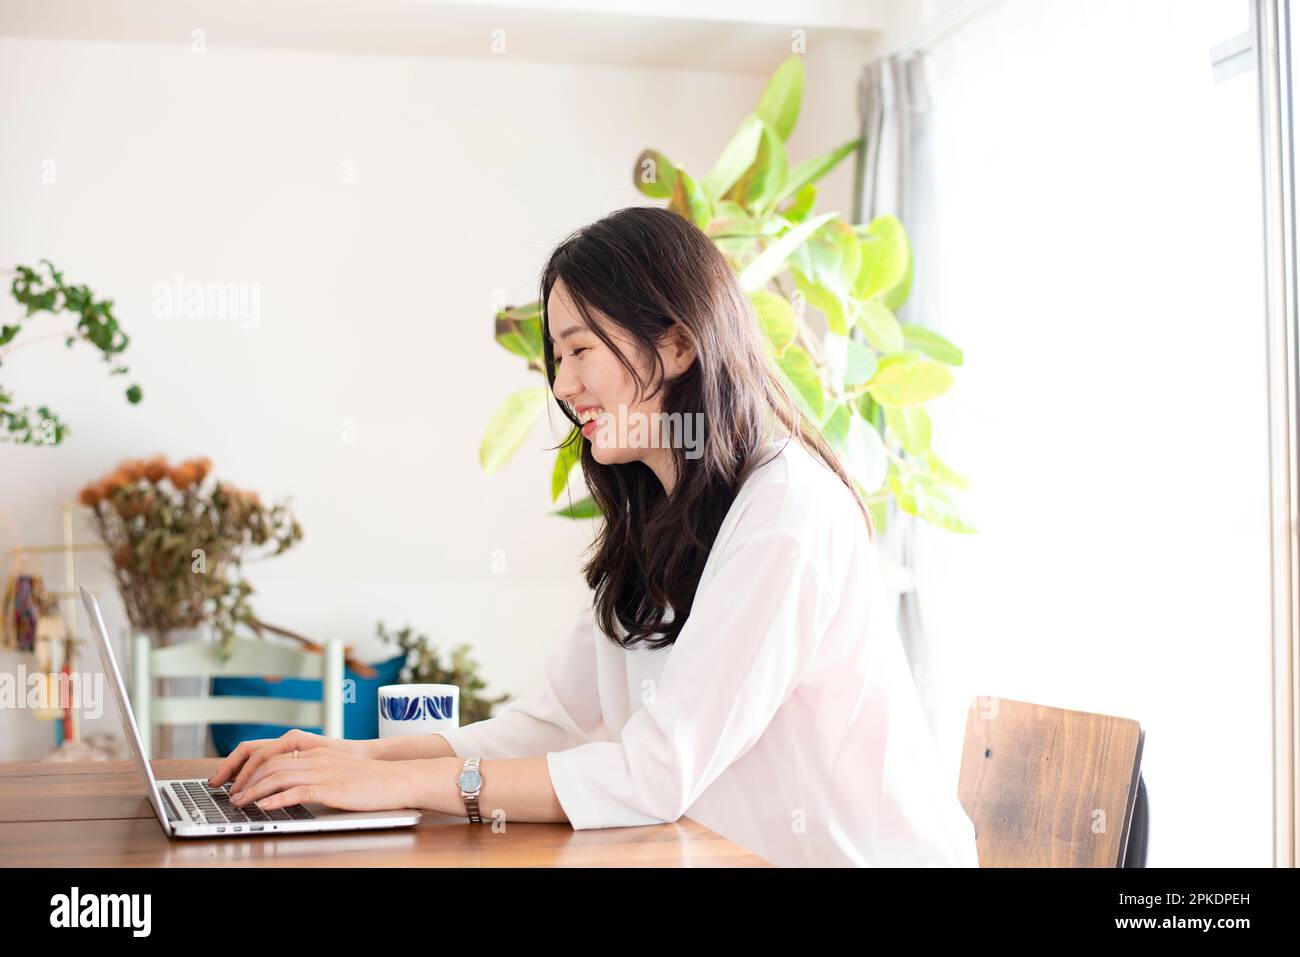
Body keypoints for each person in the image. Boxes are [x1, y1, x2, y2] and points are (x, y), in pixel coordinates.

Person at [209, 205, 980, 867]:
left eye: (579, 350)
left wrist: (396, 786)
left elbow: (655, 772)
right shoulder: (663, 512)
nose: (561, 384)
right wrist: (345, 759)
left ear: (677, 345)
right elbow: (555, 722)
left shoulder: (786, 513)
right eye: (558, 356)